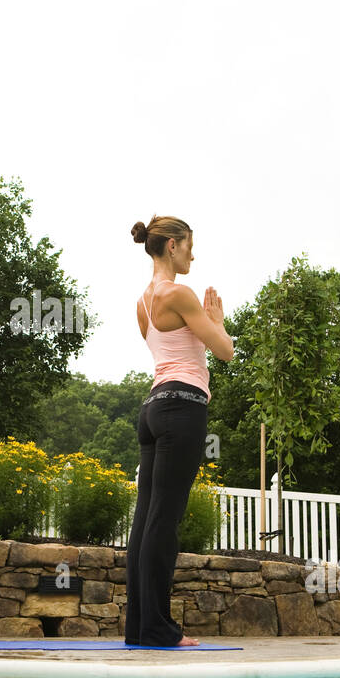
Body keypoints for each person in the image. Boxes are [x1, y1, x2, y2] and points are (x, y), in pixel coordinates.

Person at [125, 215, 235, 647]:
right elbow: (224, 351)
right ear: (171, 245)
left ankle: (140, 627)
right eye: (189, 245)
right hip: (182, 405)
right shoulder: (179, 293)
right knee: (164, 522)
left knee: (146, 521)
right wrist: (218, 320)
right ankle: (157, 629)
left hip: (152, 408)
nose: (193, 253)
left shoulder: (142, 303)